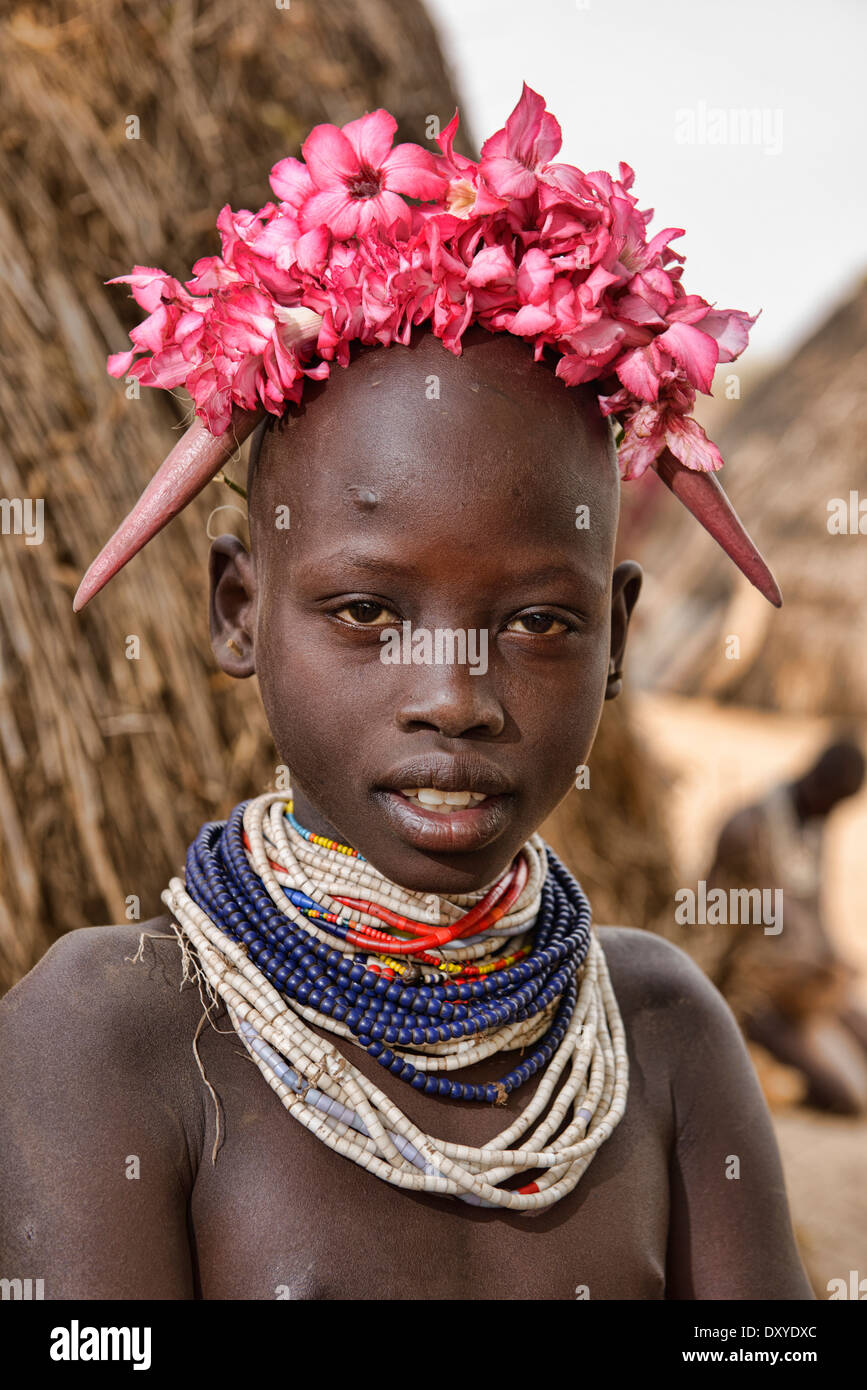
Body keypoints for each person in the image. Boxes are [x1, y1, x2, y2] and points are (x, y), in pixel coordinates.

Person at [0, 86, 812, 1299]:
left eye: (539, 622)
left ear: (617, 635)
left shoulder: (665, 1032)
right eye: (369, 612)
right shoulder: (111, 1037)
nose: (457, 698)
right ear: (238, 611)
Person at [708, 739, 867, 1114]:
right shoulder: (747, 829)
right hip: (757, 996)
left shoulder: (811, 830)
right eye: (833, 803)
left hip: (808, 988)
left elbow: (815, 914)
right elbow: (715, 923)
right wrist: (787, 968)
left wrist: (834, 961)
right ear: (818, 787)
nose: (832, 813)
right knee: (846, 1098)